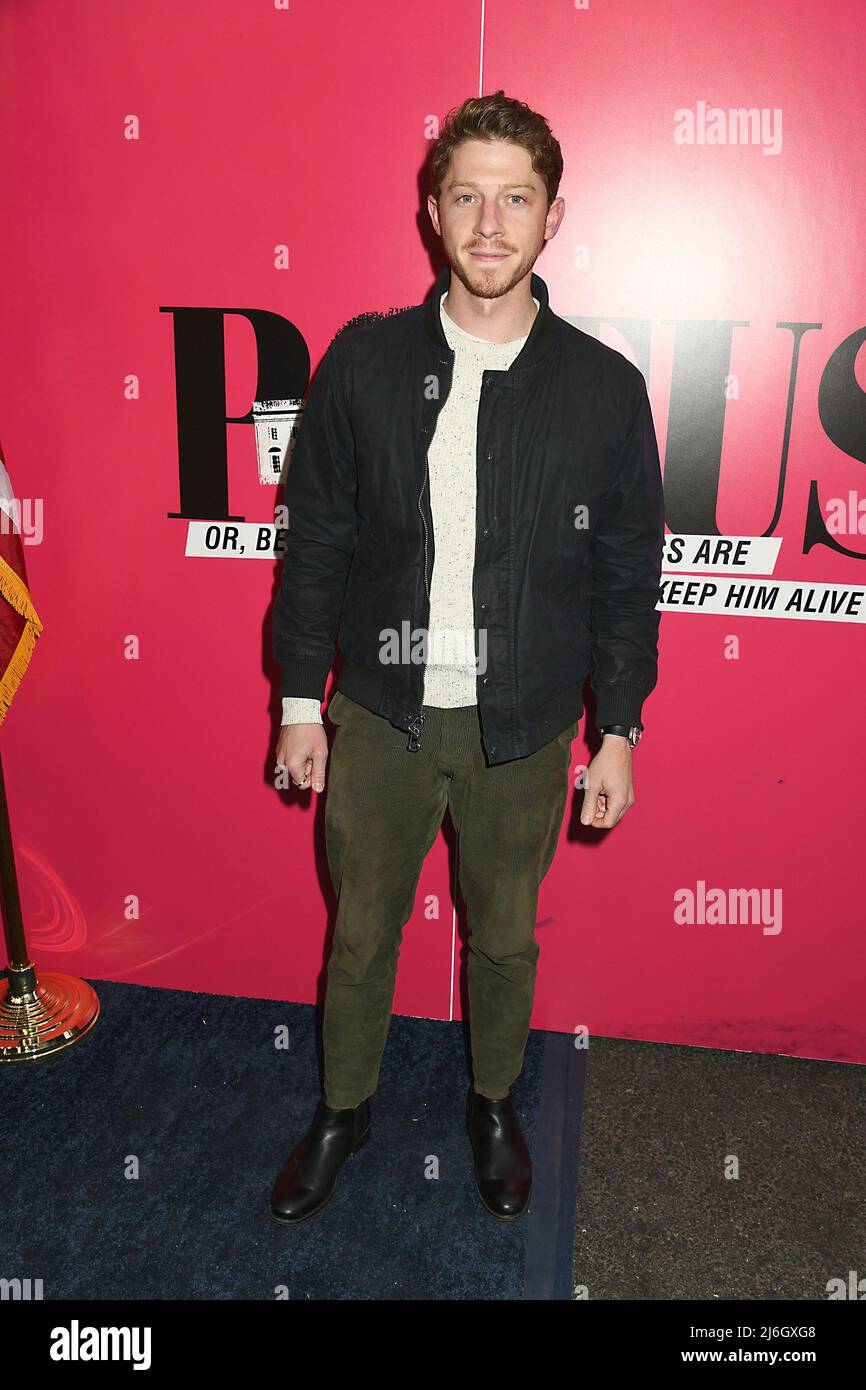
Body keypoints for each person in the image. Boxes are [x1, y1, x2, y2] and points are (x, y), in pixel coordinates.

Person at [268, 90, 665, 1225]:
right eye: (466, 198)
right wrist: (299, 702)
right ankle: (343, 1109)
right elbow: (317, 544)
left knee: (503, 939)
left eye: (515, 199)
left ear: (552, 217)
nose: (489, 224)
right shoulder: (364, 362)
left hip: (524, 725)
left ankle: (492, 1104)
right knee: (360, 933)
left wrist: (618, 728)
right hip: (380, 713)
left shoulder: (603, 388)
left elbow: (624, 576)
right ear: (432, 212)